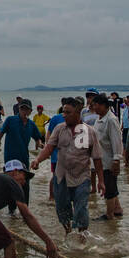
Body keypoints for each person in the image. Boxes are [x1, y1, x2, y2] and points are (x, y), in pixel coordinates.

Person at [33, 100, 103, 244]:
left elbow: (96, 158)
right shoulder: (59, 129)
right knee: (62, 210)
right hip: (62, 177)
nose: (64, 115)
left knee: (81, 209)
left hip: (81, 177)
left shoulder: (89, 132)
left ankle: (82, 238)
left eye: (68, 112)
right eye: (63, 112)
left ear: (78, 113)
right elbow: (49, 148)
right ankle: (68, 233)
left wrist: (101, 181)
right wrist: (38, 160)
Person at [0, 100, 44, 210]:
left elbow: (38, 140)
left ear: (30, 111)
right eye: (22, 108)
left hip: (24, 161)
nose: (23, 111)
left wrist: (42, 147)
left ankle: (25, 213)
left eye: (26, 109)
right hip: (10, 160)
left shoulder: (31, 124)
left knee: (25, 186)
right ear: (18, 109)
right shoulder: (10, 120)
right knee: (10, 186)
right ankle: (11, 214)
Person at [90, 94, 123, 219]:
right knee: (112, 186)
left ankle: (109, 215)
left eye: (96, 105)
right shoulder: (99, 119)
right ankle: (117, 209)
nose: (94, 108)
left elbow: (116, 141)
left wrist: (116, 160)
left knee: (109, 188)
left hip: (109, 160)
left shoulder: (111, 120)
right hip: (101, 159)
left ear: (103, 105)